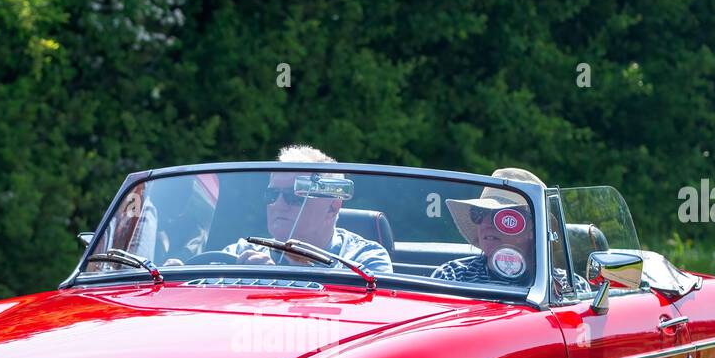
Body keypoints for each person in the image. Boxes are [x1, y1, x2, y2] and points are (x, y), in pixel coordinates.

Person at [226, 145, 392, 273]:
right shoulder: (241, 252)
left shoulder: (364, 261)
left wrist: (279, 278)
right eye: (272, 194)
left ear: (332, 207)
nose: (278, 204)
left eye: (294, 196)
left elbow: (368, 312)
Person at [433, 167, 543, 286]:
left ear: (532, 228)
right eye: (479, 213)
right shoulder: (453, 276)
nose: (485, 224)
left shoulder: (558, 284)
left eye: (501, 215)